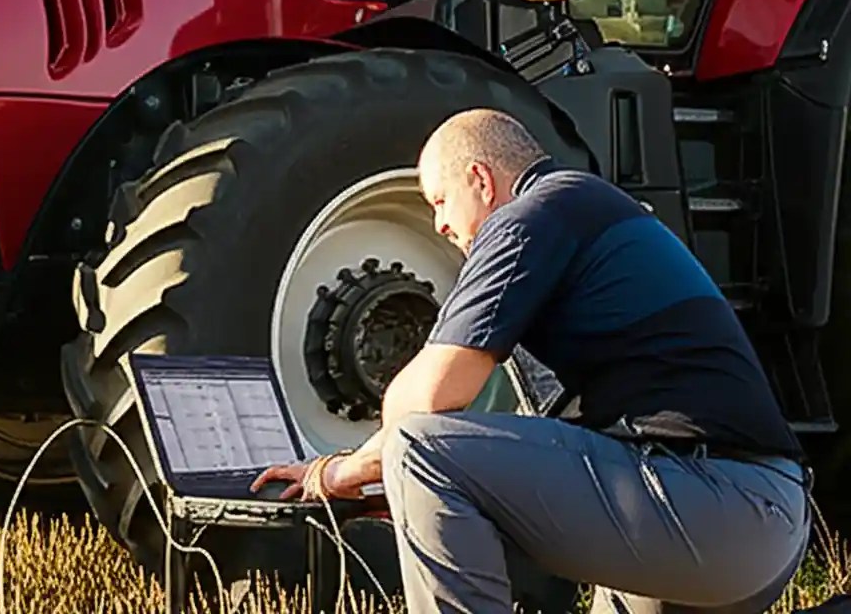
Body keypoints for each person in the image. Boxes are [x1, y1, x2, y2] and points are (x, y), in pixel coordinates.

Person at [251, 108, 812, 613]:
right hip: (752, 519)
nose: (440, 226)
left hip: (712, 501)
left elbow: (424, 404)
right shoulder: (586, 209)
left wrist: (336, 473)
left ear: (480, 179)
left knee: (419, 449)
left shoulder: (529, 217)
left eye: (439, 202)